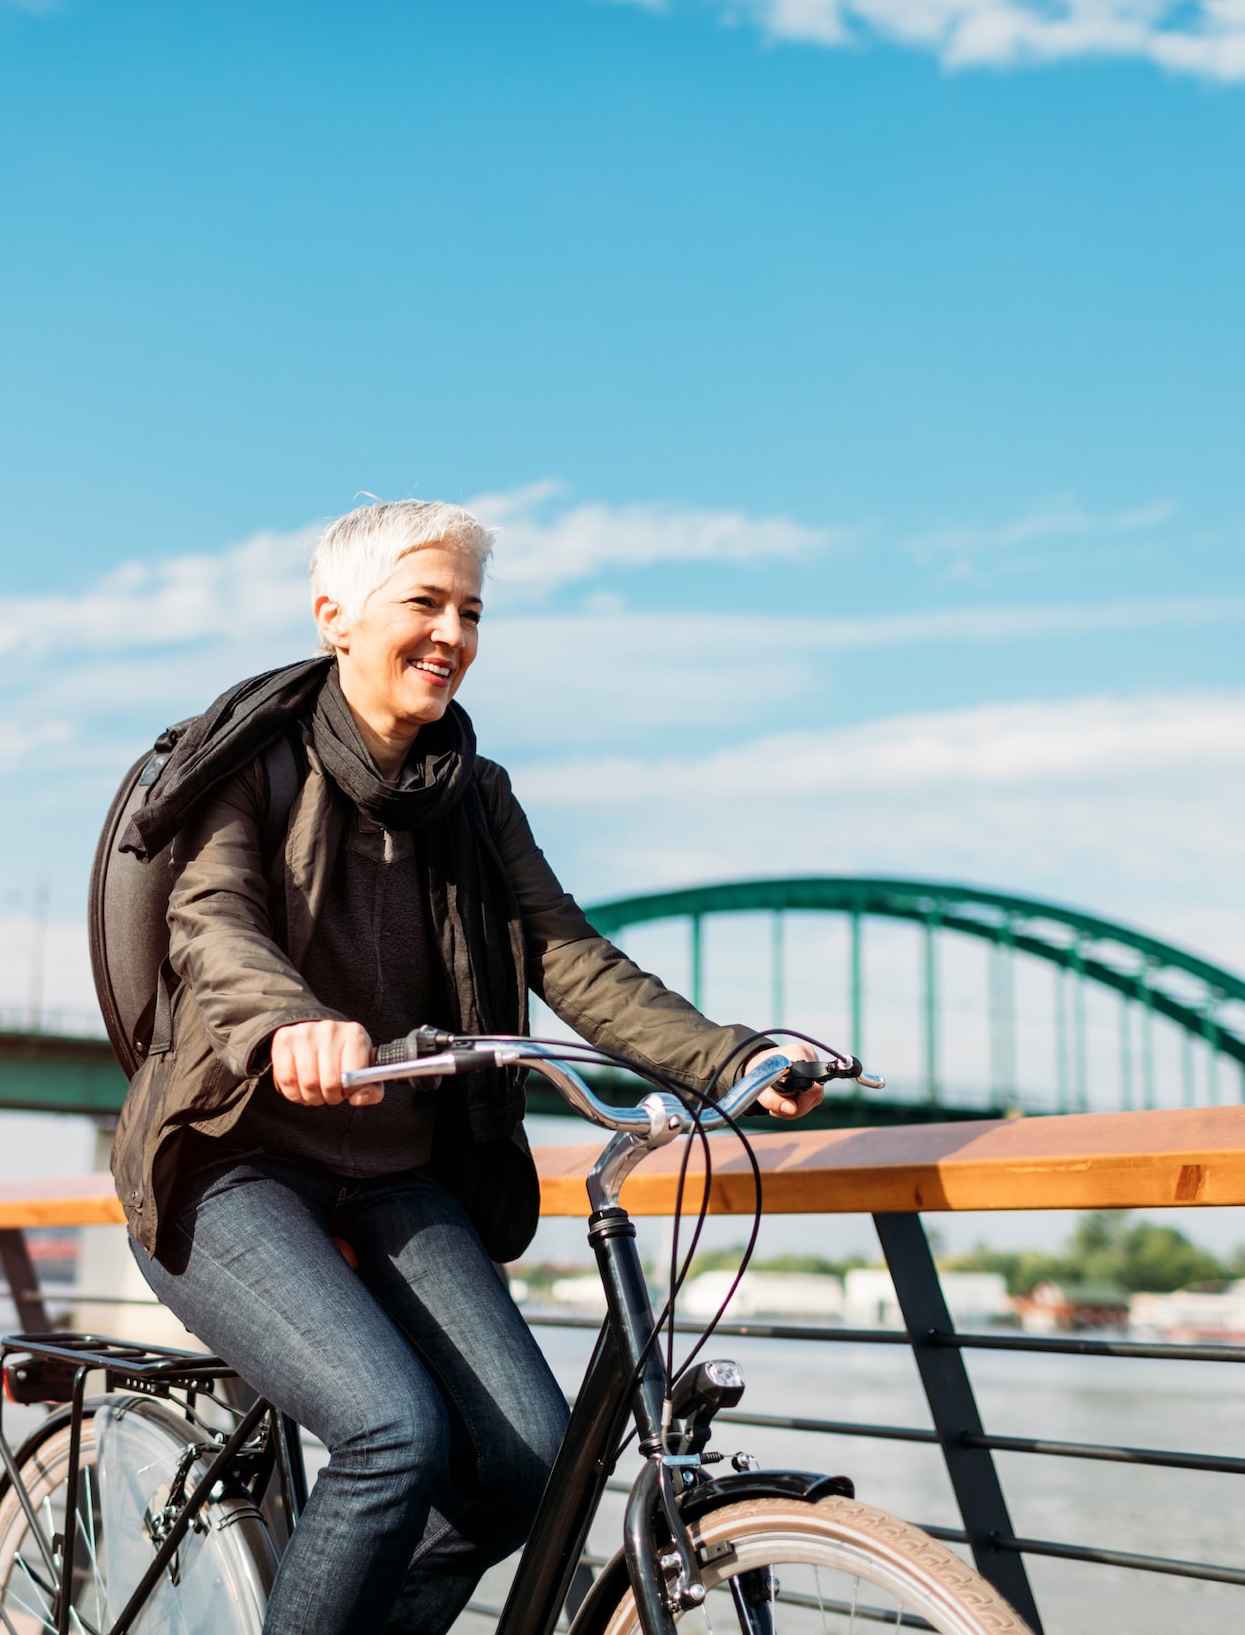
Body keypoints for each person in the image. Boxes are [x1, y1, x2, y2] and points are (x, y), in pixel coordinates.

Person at [110, 499, 822, 1635]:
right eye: (424, 603)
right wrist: (292, 1020)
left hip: (396, 1172)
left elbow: (568, 957)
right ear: (334, 617)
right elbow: (212, 926)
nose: (451, 633)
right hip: (229, 1163)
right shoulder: (249, 763)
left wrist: (725, 1053)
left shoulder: (474, 800)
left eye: (471, 612)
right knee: (394, 1432)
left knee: (526, 1463)